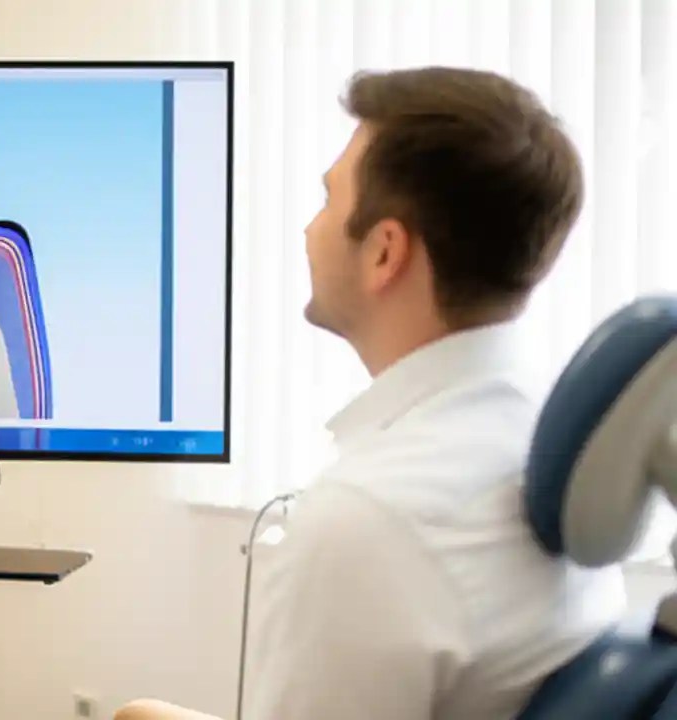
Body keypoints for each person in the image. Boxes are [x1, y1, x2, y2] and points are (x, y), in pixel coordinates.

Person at [116, 67, 627, 719]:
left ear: (385, 252)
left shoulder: (368, 523)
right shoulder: (549, 436)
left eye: (329, 199)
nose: (310, 228)